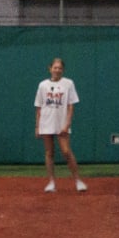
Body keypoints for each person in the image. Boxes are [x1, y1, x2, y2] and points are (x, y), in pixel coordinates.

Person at [35, 57, 85, 193]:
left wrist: (67, 124)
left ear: (63, 70)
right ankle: (51, 182)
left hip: (61, 123)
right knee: (49, 152)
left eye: (59, 68)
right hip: (46, 122)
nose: (57, 70)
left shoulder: (68, 84)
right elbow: (39, 107)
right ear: (50, 68)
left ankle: (78, 180)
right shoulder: (42, 85)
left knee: (66, 151)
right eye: (55, 68)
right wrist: (37, 126)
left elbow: (71, 106)